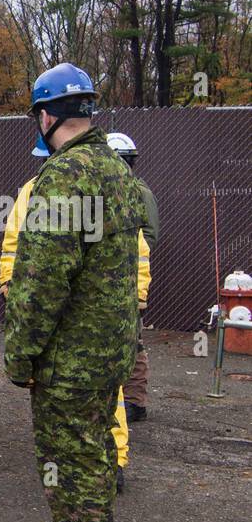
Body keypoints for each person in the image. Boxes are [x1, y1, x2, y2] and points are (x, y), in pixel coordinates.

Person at [5, 62, 144, 522]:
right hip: (111, 348)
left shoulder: (62, 177)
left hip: (72, 358)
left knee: (74, 454)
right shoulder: (115, 168)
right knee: (97, 445)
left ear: (45, 116)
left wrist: (20, 356)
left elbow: (39, 283)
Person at [0, 134, 151, 496]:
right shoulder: (48, 188)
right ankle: (91, 471)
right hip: (92, 316)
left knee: (93, 397)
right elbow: (15, 240)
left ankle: (106, 467)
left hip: (85, 318)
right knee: (88, 398)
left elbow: (136, 250)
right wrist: (9, 282)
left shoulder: (95, 184)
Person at [107, 132, 157, 422]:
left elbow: (148, 236)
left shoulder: (137, 192)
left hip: (129, 280)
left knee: (132, 341)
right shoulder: (114, 191)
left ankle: (135, 402)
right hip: (116, 279)